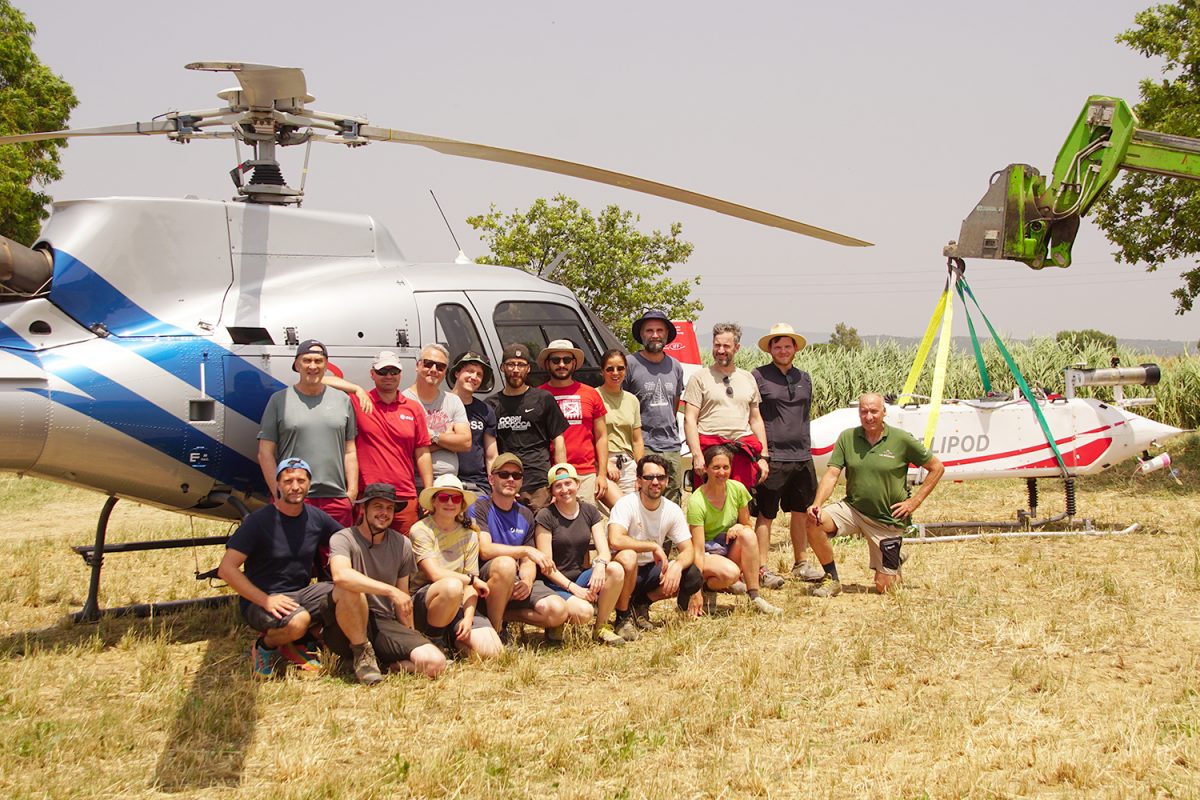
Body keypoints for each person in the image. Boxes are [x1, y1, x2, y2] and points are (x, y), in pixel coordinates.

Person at [806, 393, 946, 596]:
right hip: (853, 509)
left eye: (874, 411)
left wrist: (914, 502)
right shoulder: (848, 437)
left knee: (886, 588)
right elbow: (832, 474)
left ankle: (894, 559)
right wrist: (817, 504)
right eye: (864, 412)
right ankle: (832, 579)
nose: (869, 416)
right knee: (813, 521)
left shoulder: (901, 439)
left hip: (886, 518)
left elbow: (937, 467)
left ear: (884, 412)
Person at [218, 457, 344, 677]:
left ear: (309, 484)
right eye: (288, 481)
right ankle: (265, 646)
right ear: (277, 485)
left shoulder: (316, 518)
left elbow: (347, 539)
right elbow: (226, 569)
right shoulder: (258, 522)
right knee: (299, 621)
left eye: (301, 480)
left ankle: (299, 643)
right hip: (263, 600)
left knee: (347, 592)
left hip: (301, 595)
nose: (295, 487)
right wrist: (265, 599)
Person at [682, 322, 783, 589]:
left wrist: (763, 456)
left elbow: (756, 419)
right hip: (711, 451)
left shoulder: (747, 379)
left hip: (742, 452)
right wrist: (696, 455)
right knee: (707, 509)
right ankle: (705, 567)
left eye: (727, 345)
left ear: (736, 347)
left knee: (741, 512)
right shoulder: (700, 378)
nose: (721, 350)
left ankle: (747, 569)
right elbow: (690, 419)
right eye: (717, 345)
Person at [326, 483, 448, 682]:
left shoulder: (402, 544)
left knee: (435, 662)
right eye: (378, 507)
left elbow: (402, 599)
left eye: (389, 508)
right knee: (348, 588)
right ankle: (360, 653)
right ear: (363, 508)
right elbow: (341, 576)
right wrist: (389, 591)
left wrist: (409, 636)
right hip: (346, 621)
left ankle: (383, 665)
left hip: (384, 622)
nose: (384, 513)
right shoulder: (343, 538)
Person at [257, 339, 358, 528]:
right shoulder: (279, 400)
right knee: (292, 556)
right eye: (307, 361)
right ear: (297, 365)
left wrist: (351, 493)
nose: (313, 366)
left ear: (327, 365)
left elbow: (350, 451)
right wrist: (278, 493)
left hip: (335, 499)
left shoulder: (343, 400)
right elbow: (265, 452)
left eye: (318, 361)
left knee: (337, 557)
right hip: (293, 497)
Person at [469, 453, 569, 644]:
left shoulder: (525, 513)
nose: (510, 480)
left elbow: (528, 561)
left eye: (516, 476)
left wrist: (527, 581)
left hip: (514, 582)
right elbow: (485, 550)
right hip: (487, 580)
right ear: (491, 479)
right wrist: (524, 550)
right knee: (506, 564)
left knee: (558, 611)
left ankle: (502, 615)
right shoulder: (479, 506)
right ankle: (497, 631)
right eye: (504, 474)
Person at [751, 323, 824, 583]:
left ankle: (801, 563)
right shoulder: (758, 377)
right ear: (770, 349)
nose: (783, 350)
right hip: (773, 457)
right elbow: (753, 415)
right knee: (766, 514)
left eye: (787, 346)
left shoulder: (804, 378)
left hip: (802, 456)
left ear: (795, 349)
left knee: (801, 512)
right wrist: (762, 455)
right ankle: (762, 569)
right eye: (778, 346)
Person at [408, 475, 503, 658]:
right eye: (444, 497)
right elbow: (435, 574)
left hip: (459, 601)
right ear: (434, 501)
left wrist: (468, 618)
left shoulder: (470, 535)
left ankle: (454, 639)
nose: (450, 502)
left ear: (462, 504)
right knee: (451, 586)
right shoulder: (420, 530)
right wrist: (472, 580)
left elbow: (471, 587)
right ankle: (435, 640)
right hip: (428, 601)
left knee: (494, 652)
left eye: (456, 498)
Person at [534, 463, 628, 645]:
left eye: (568, 483)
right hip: (554, 583)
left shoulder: (589, 511)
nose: (564, 489)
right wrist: (574, 589)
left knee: (615, 569)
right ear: (552, 491)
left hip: (580, 576)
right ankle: (558, 622)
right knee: (584, 612)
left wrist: (600, 565)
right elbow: (546, 568)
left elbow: (604, 551)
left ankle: (601, 627)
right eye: (558, 485)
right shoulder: (545, 516)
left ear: (577, 484)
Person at [686, 445, 782, 616]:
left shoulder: (737, 489)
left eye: (725, 467)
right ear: (706, 469)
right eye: (716, 467)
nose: (721, 472)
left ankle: (754, 597)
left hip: (727, 546)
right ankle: (706, 587)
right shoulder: (696, 501)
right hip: (707, 552)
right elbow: (698, 550)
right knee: (730, 573)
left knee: (748, 535)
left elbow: (747, 524)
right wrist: (695, 591)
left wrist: (740, 526)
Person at [608, 454, 703, 625]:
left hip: (651, 571)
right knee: (627, 557)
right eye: (649, 477)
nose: (655, 482)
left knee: (692, 575)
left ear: (667, 481)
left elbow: (688, 549)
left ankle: (641, 603)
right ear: (638, 481)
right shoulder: (626, 504)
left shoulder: (672, 509)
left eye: (660, 477)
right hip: (624, 572)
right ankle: (622, 617)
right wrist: (651, 546)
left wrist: (678, 566)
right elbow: (615, 540)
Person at [347, 351, 433, 535]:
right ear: (372, 374)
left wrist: (428, 492)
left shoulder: (413, 407)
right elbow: (320, 381)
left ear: (401, 374)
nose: (388, 376)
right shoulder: (358, 402)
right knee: (365, 554)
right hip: (369, 496)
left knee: (405, 553)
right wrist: (356, 389)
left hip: (404, 496)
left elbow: (423, 452)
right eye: (382, 371)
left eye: (393, 371)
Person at [488, 343, 568, 510]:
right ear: (502, 367)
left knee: (543, 532)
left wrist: (560, 478)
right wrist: (496, 483)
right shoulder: (491, 404)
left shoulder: (543, 398)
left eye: (521, 364)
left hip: (540, 484)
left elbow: (558, 440)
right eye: (510, 364)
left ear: (528, 368)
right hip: (508, 483)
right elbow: (491, 451)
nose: (516, 369)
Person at [623, 310, 685, 503]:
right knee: (644, 498)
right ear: (642, 334)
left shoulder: (675, 366)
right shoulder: (629, 364)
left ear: (667, 334)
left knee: (672, 498)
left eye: (659, 330)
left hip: (671, 446)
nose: (655, 335)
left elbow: (674, 404)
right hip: (643, 445)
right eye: (649, 330)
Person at [538, 338, 609, 503]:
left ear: (574, 363)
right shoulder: (538, 396)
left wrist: (602, 474)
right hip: (550, 474)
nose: (561, 364)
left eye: (567, 360)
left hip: (585, 474)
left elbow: (602, 436)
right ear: (548, 364)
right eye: (556, 360)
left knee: (585, 525)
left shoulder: (591, 393)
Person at [404, 344, 471, 486]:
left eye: (440, 367)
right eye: (428, 364)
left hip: (450, 483)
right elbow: (407, 451)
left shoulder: (453, 401)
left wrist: (433, 436)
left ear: (445, 371)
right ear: (417, 365)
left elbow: (465, 443)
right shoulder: (403, 401)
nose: (434, 370)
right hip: (414, 482)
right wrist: (448, 440)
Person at [597, 348, 644, 509]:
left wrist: (641, 471)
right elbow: (590, 437)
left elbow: (637, 440)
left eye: (620, 368)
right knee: (623, 509)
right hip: (604, 463)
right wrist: (603, 466)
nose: (615, 373)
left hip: (628, 464)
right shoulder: (593, 396)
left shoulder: (632, 400)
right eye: (610, 369)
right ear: (602, 371)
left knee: (634, 515)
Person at [448, 351, 498, 495]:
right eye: (469, 371)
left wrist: (495, 486)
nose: (474, 377)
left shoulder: (485, 411)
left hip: (477, 484)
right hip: (444, 481)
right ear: (457, 373)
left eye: (479, 374)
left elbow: (491, 456)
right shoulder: (440, 404)